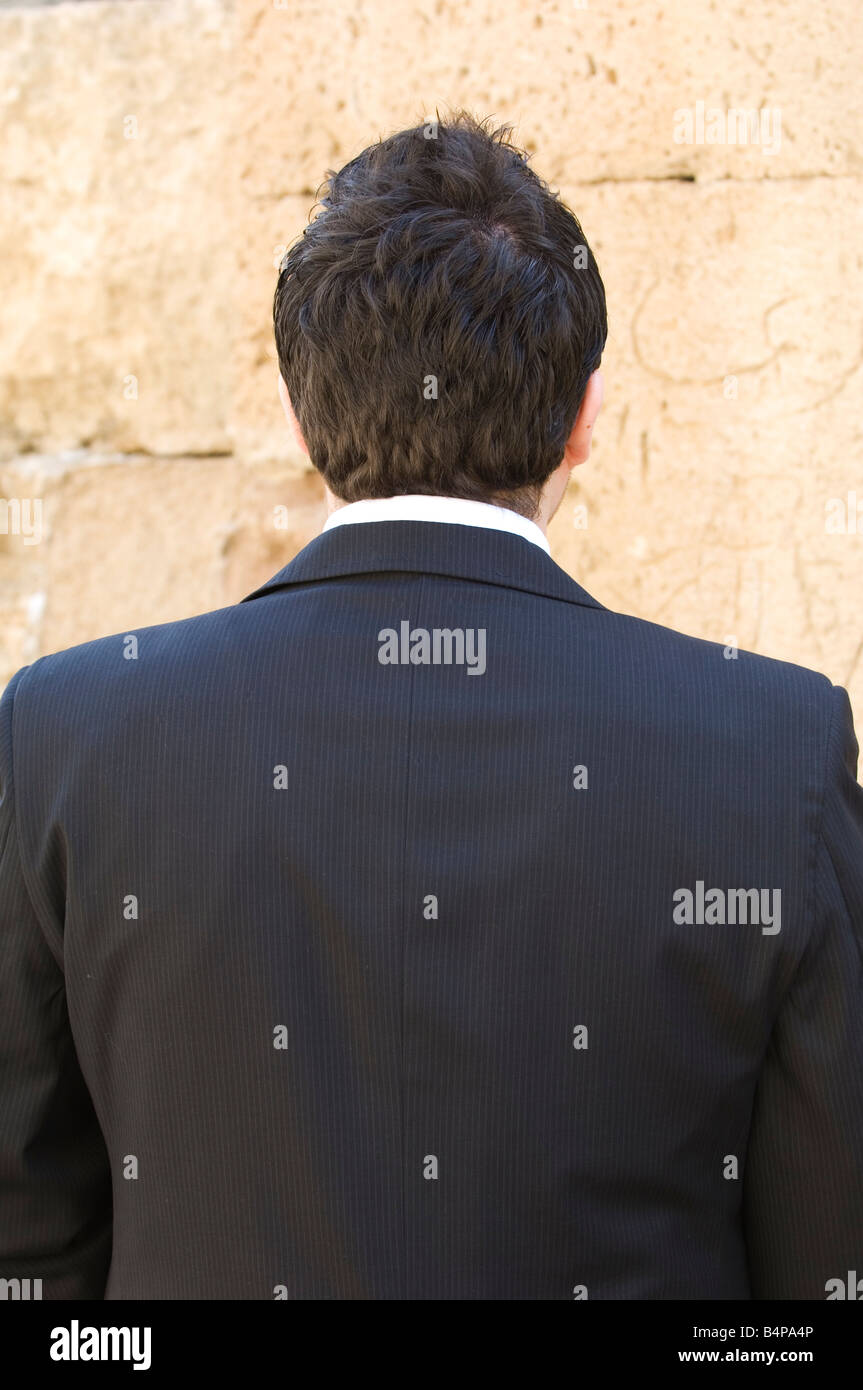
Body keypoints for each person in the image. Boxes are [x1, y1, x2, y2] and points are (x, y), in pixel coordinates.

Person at [1, 112, 861, 1300]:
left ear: (301, 417)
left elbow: (30, 1249)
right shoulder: (777, 750)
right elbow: (825, 1267)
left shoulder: (66, 735)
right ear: (584, 422)